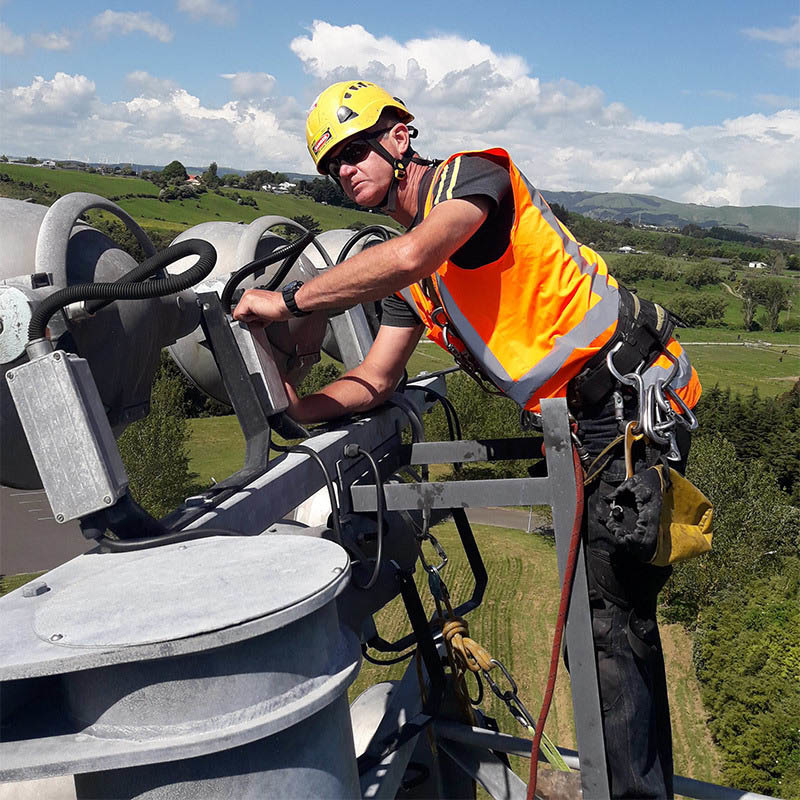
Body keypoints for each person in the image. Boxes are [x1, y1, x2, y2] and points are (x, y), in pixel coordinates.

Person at [233, 79, 702, 798]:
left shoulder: (471, 179)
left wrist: (287, 301)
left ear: (399, 137)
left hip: (630, 408)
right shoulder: (413, 278)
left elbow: (415, 253)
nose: (346, 169)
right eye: (333, 164)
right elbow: (376, 378)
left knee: (607, 626)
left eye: (356, 149)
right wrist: (301, 410)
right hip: (587, 427)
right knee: (607, 625)